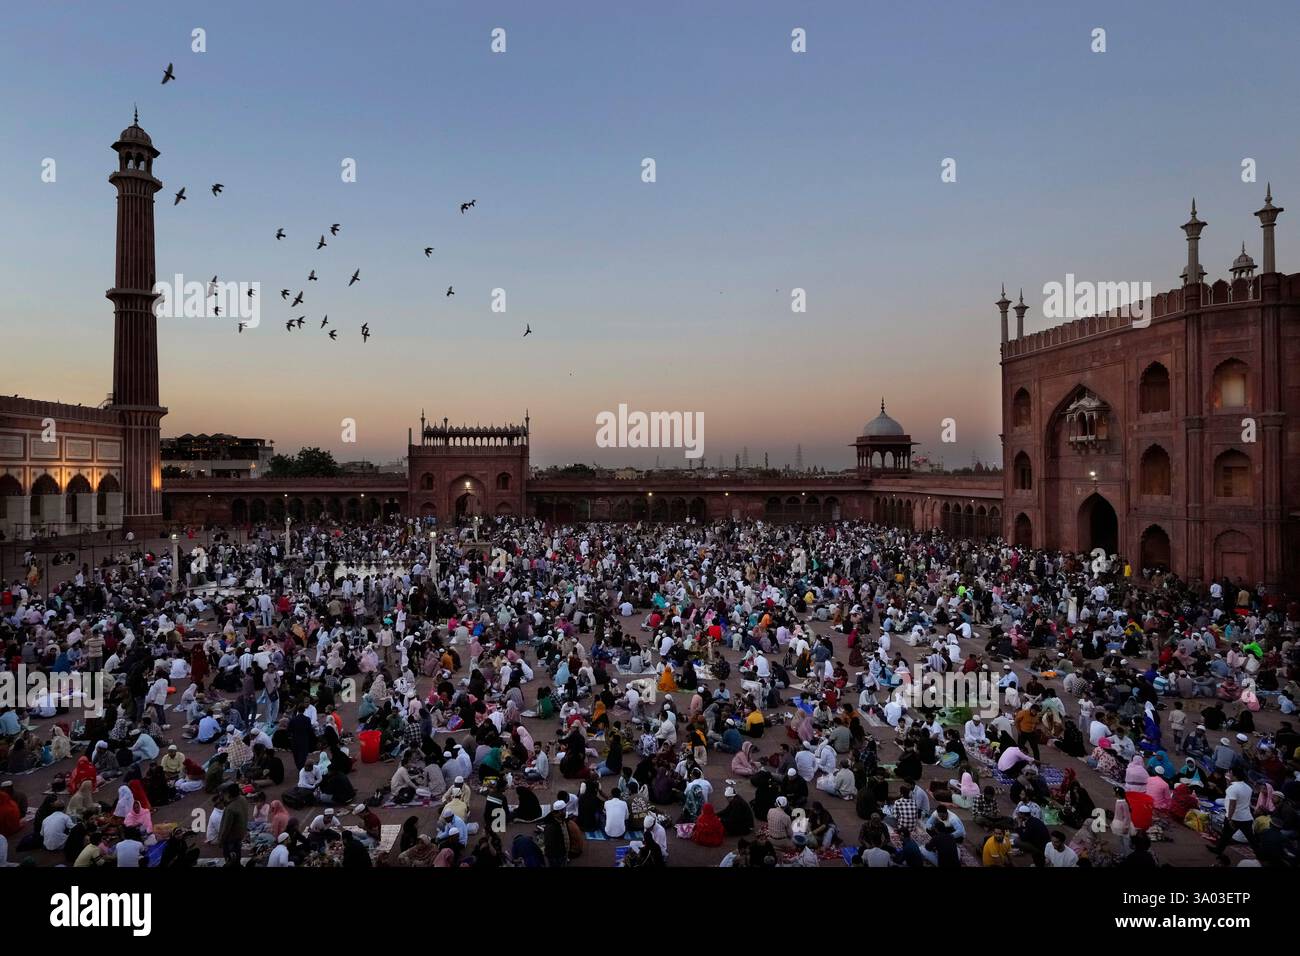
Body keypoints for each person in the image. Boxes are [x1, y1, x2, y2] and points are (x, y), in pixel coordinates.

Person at [1211, 770, 1257, 855]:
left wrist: (1229, 818)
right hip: (1246, 817)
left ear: (1235, 776)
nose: (1229, 775)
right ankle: (1261, 855)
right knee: (1251, 839)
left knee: (1225, 835)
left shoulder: (1232, 788)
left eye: (1231, 774)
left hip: (1234, 817)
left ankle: (1218, 850)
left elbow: (1232, 805)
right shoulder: (1248, 787)